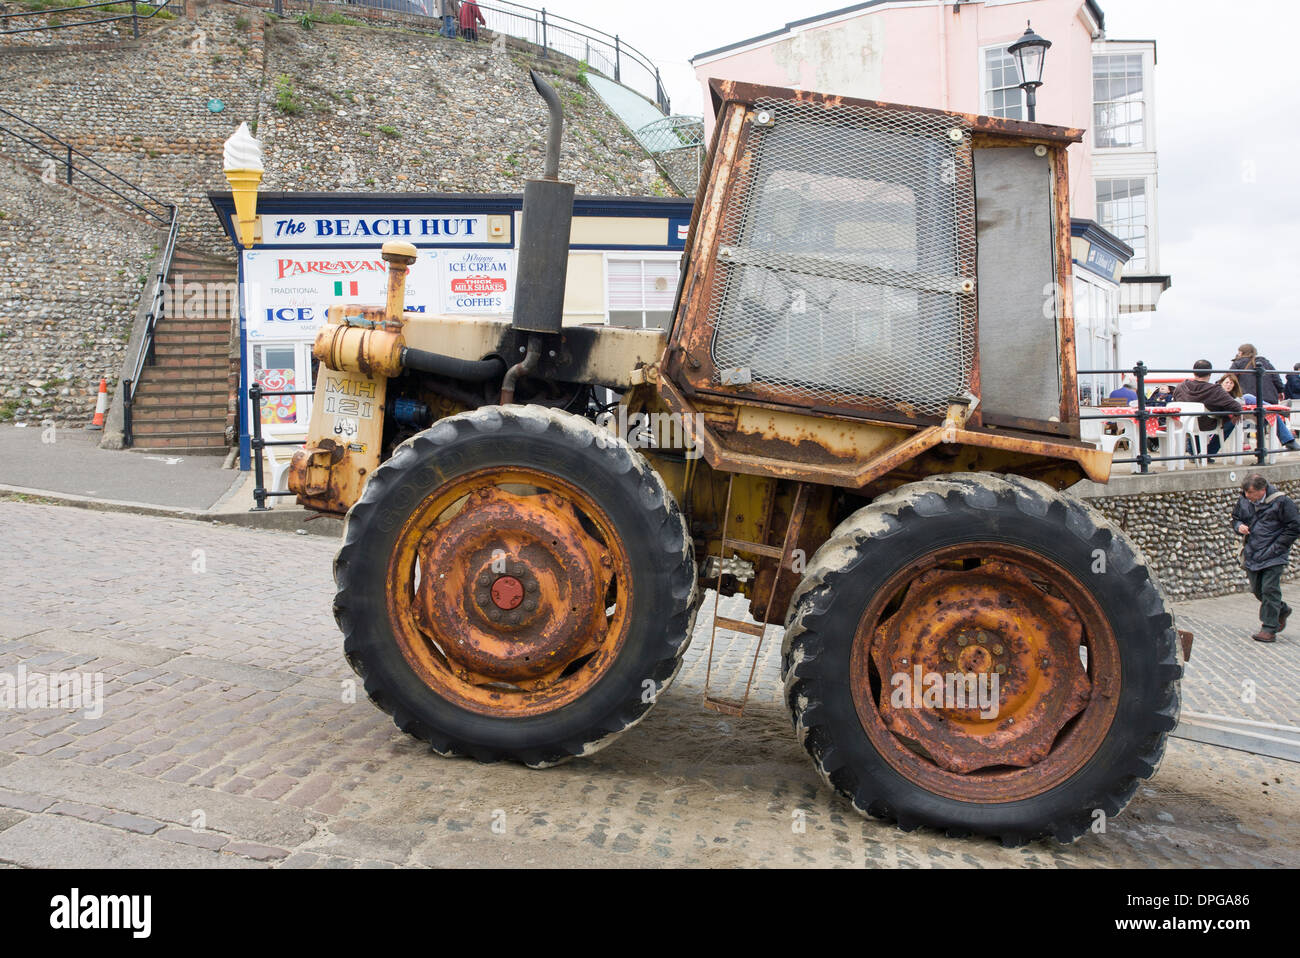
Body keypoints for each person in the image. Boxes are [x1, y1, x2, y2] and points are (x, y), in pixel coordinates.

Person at [1231, 473, 1300, 642]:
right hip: (1253, 552)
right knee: (1257, 590)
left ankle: (1269, 628)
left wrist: (1278, 547)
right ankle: (1281, 609)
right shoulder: (1244, 501)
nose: (1248, 496)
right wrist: (1239, 526)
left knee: (1270, 589)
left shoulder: (1282, 502)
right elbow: (1236, 518)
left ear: (1262, 490)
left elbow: (1295, 526)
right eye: (1246, 493)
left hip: (1274, 554)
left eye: (1251, 493)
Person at [1172, 360, 1242, 457]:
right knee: (1231, 422)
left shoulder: (1181, 386)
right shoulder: (1214, 390)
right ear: (1210, 373)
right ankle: (1209, 453)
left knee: (1193, 418)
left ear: (1194, 372)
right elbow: (1236, 407)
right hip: (1206, 424)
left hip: (1184, 424)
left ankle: (1194, 452)